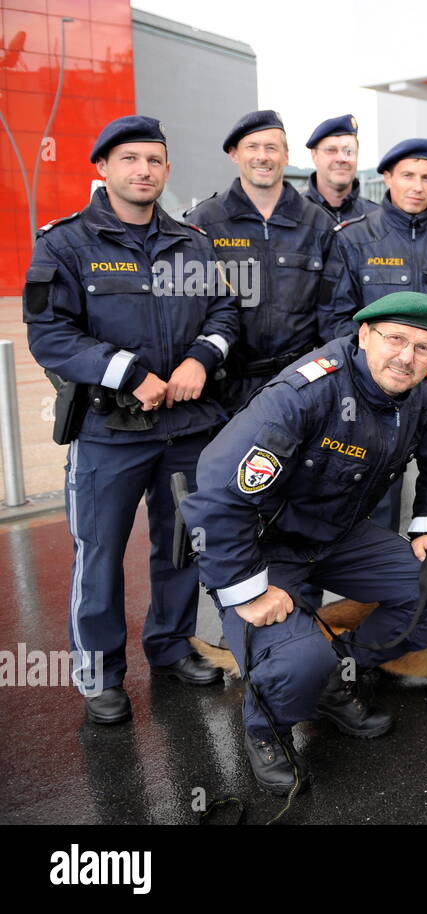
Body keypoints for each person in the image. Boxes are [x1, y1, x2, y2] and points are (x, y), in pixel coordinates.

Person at [180, 292, 427, 794]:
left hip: (340, 535)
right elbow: (216, 496)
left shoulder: (421, 394)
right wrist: (248, 592)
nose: (407, 357)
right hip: (267, 547)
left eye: (423, 348)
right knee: (296, 661)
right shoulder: (306, 392)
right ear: (363, 336)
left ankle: (336, 677)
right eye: (396, 339)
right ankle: (267, 726)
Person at [24, 116, 238, 724]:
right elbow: (50, 334)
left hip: (186, 428)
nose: (143, 171)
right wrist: (128, 373)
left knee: (180, 548)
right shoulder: (64, 243)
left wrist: (201, 358)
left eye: (153, 161)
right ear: (104, 168)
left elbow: (224, 312)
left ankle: (170, 648)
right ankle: (100, 673)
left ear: (166, 171)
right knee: (100, 553)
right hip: (107, 433)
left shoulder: (192, 242)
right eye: (129, 160)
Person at [320, 138, 427, 526]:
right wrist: (380, 365)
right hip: (375, 392)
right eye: (407, 175)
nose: (417, 186)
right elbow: (335, 318)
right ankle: (380, 585)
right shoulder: (352, 238)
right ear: (387, 177)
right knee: (376, 499)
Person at [185, 110, 336, 412]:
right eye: (252, 147)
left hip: (300, 384)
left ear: (285, 155)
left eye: (271, 148)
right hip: (223, 389)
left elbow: (332, 311)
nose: (262, 157)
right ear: (234, 154)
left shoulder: (319, 224)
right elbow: (189, 308)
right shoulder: (204, 222)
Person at [302, 113, 380, 224]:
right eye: (331, 150)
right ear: (314, 155)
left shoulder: (378, 219)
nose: (341, 158)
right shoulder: (292, 215)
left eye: (348, 151)